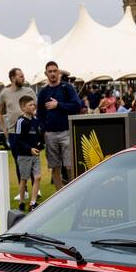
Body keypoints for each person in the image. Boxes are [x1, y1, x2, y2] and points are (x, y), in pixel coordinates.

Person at [37, 60, 82, 192]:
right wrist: (44, 130)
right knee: (55, 166)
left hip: (66, 132)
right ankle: (59, 195)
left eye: (55, 71)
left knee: (70, 165)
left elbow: (77, 106)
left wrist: (59, 105)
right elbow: (40, 114)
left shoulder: (67, 88)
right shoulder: (43, 93)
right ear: (46, 74)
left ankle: (74, 192)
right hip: (50, 134)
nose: (52, 74)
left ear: (59, 72)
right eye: (50, 71)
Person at [0, 68, 33, 184]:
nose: (23, 78)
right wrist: (4, 130)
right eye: (21, 76)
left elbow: (36, 109)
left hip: (28, 133)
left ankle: (35, 189)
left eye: (23, 76)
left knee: (31, 159)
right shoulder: (4, 93)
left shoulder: (29, 91)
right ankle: (24, 190)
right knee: (18, 161)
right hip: (13, 133)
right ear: (13, 78)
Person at [12, 94, 44, 211]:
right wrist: (29, 149)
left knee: (38, 177)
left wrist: (40, 144)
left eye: (33, 104)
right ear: (23, 108)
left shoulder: (36, 121)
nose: (33, 106)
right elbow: (18, 140)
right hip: (24, 155)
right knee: (24, 179)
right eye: (30, 105)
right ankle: (21, 202)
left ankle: (33, 203)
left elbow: (39, 135)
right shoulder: (21, 121)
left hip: (35, 154)